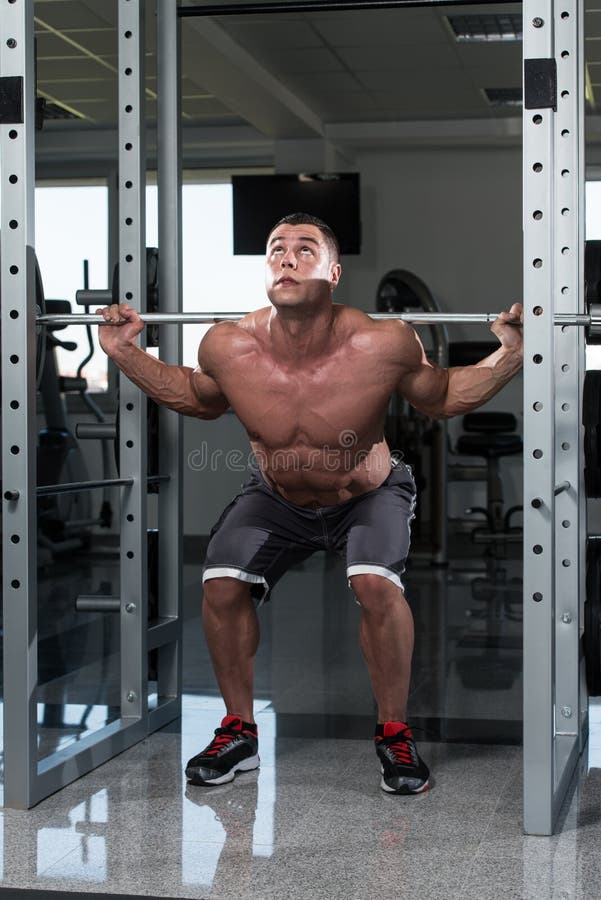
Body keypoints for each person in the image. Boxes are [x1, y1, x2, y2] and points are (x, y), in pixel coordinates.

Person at [98, 212, 523, 796]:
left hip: (367, 495)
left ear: (334, 272)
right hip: (277, 499)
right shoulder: (228, 344)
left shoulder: (383, 341)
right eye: (276, 248)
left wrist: (511, 354)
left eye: (304, 248)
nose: (287, 258)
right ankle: (238, 731)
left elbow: (443, 395)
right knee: (220, 584)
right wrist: (123, 353)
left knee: (375, 583)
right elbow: (197, 397)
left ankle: (395, 733)